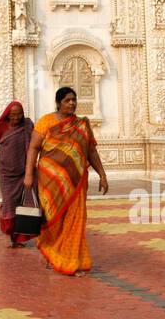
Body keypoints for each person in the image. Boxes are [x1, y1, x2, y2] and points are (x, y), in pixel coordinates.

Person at [24, 87, 108, 276]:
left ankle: (71, 260)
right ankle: (52, 253)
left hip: (76, 183)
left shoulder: (82, 125)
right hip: (49, 182)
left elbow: (91, 152)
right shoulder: (46, 122)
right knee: (53, 219)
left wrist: (102, 175)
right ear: (58, 103)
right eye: (67, 100)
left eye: (73, 100)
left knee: (74, 220)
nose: (71, 103)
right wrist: (28, 175)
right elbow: (33, 148)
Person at [0, 100, 34, 247]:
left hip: (23, 171)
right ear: (7, 114)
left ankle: (18, 237)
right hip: (6, 173)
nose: (16, 118)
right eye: (12, 114)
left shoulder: (27, 125)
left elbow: (36, 143)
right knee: (9, 202)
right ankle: (11, 231)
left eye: (19, 114)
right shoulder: (1, 126)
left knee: (21, 203)